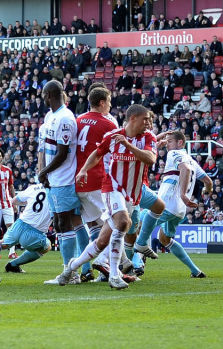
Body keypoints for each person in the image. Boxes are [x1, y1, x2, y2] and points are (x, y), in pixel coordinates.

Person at [55, 104, 160, 289]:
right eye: (145, 119)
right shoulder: (112, 136)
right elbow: (97, 153)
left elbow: (150, 159)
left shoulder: (148, 137)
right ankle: (114, 275)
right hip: (112, 188)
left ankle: (71, 267)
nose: (148, 123)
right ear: (133, 118)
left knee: (102, 241)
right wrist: (84, 170)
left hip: (131, 194)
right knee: (123, 222)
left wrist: (127, 145)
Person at [35, 80, 84, 282]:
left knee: (65, 223)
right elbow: (47, 149)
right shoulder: (50, 116)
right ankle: (69, 270)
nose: (42, 98)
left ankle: (71, 272)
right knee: (58, 223)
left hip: (63, 179)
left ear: (49, 95)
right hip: (53, 179)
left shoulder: (65, 118)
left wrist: (44, 172)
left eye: (43, 95)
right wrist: (44, 173)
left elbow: (63, 153)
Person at [147, 130, 211, 278]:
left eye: (169, 141)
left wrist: (182, 194)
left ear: (180, 143)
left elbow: (185, 169)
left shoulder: (174, 153)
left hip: (167, 204)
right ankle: (195, 270)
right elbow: (208, 181)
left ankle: (136, 264)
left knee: (137, 226)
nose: (166, 144)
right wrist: (206, 192)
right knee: (165, 239)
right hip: (179, 211)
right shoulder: (191, 160)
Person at [71, 84, 119, 280]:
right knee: (117, 222)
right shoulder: (108, 124)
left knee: (94, 226)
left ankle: (89, 269)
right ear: (102, 103)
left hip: (77, 181)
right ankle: (110, 266)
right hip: (97, 181)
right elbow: (115, 156)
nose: (110, 105)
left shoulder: (77, 120)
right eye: (109, 101)